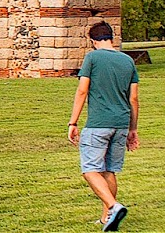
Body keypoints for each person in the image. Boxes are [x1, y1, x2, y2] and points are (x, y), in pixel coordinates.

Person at [67, 20, 139, 231]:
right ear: (111, 38)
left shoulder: (93, 58)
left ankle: (114, 206)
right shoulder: (128, 61)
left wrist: (73, 122)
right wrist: (133, 129)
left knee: (90, 169)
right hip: (121, 123)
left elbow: (82, 90)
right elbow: (134, 99)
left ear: (92, 41)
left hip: (99, 123)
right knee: (109, 170)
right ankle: (106, 219)